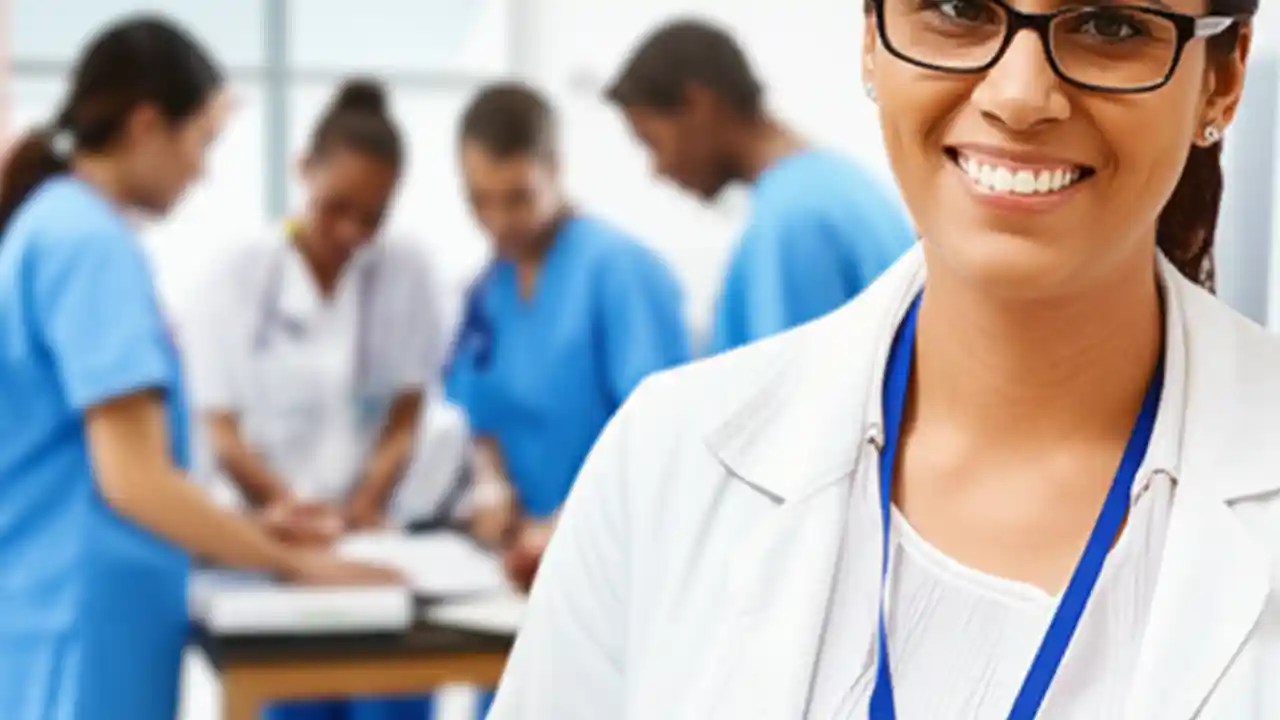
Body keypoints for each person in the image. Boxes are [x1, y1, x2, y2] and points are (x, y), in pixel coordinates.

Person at [491, 1, 1280, 718]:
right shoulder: (664, 461)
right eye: (957, 9)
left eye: (1110, 25)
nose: (1018, 95)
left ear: (1223, 77)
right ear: (871, 37)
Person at [0, 18, 396, 720]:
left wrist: (254, 531)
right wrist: (294, 564)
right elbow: (134, 480)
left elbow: (100, 467)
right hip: (80, 625)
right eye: (200, 143)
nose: (202, 170)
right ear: (148, 125)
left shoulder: (54, 225)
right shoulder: (87, 243)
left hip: (68, 612)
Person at [446, 82, 690, 591]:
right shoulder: (488, 288)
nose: (499, 222)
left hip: (614, 561)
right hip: (519, 567)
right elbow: (477, 415)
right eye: (480, 201)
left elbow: (657, 432)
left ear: (553, 169)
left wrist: (565, 527)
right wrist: (491, 485)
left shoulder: (622, 272)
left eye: (518, 198)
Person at [606, 19, 915, 355]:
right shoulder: (837, 185)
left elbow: (798, 393)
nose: (659, 169)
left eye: (652, 142)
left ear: (699, 105)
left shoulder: (793, 220)